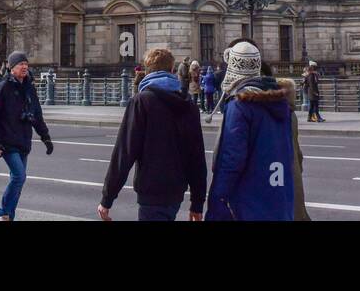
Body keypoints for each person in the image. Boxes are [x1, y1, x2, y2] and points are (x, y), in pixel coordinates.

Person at [98, 47, 207, 222]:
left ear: (147, 71)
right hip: (176, 190)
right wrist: (197, 202)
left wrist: (107, 198)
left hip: (151, 190)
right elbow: (197, 156)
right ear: (172, 70)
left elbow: (124, 152)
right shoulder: (188, 105)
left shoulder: (142, 101)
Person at [205, 40, 296, 221]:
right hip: (279, 200)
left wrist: (218, 198)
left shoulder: (240, 104)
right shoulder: (280, 103)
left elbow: (232, 157)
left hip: (249, 202)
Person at [0, 51, 53, 221]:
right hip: (7, 141)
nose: (24, 67)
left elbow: (37, 114)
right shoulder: (2, 87)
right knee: (19, 176)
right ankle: (2, 213)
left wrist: (45, 136)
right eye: (20, 64)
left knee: (19, 182)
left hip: (24, 140)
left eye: (26, 64)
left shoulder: (29, 87)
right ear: (11, 67)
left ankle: (9, 216)